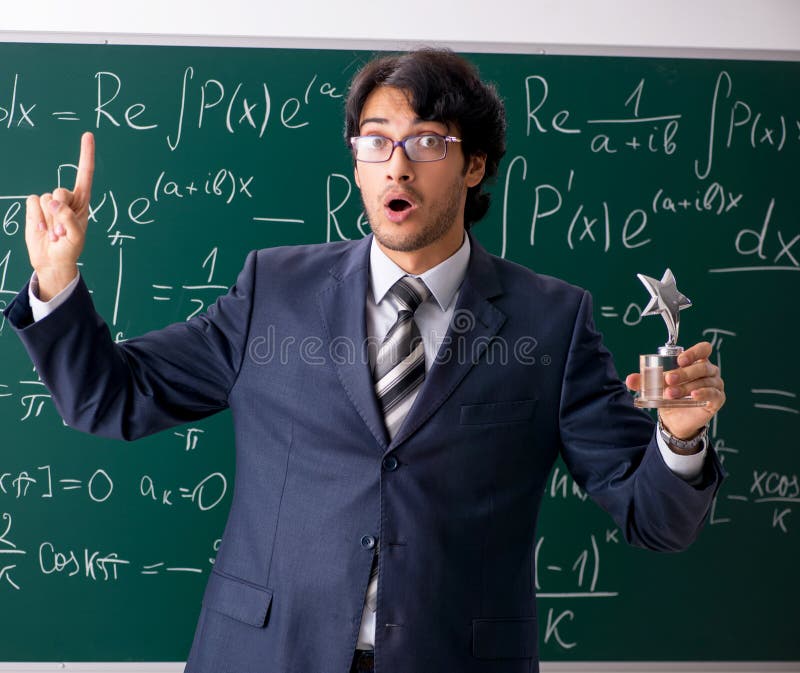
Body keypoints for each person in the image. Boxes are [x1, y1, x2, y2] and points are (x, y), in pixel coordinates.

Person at [5, 49, 725, 673]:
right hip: (265, 652)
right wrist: (57, 282)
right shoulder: (273, 289)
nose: (397, 165)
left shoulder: (551, 320)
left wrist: (682, 439)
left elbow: (654, 518)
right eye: (375, 142)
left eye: (427, 143)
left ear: (475, 166)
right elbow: (111, 398)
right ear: (355, 161)